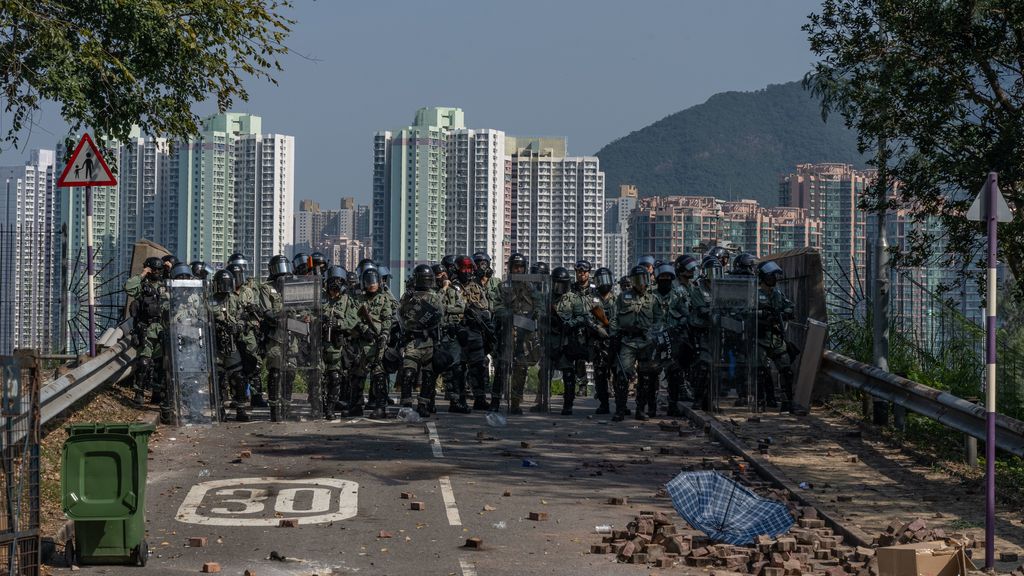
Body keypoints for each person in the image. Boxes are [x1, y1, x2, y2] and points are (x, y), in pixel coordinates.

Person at [610, 265, 659, 422]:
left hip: (646, 342)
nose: (639, 283)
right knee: (622, 375)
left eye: (642, 279)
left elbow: (660, 320)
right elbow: (613, 318)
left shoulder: (653, 299)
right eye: (636, 280)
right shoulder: (623, 297)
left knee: (645, 377)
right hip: (627, 341)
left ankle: (640, 410)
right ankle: (620, 410)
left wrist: (654, 335)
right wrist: (615, 334)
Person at [494, 252, 539, 414]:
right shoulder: (503, 286)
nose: (518, 270)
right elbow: (496, 307)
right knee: (501, 366)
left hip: (525, 334)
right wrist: (508, 315)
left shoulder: (531, 288)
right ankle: (495, 401)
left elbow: (540, 306)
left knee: (521, 368)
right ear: (510, 268)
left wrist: (535, 318)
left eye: (521, 267)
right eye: (515, 267)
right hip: (507, 332)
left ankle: (515, 402)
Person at [397, 265, 445, 418]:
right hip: (413, 340)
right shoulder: (409, 296)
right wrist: (409, 301)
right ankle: (406, 404)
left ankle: (423, 404)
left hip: (429, 340)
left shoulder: (434, 297)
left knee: (429, 375)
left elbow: (439, 316)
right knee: (408, 372)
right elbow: (401, 314)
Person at [550, 267, 597, 415]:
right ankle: (541, 400)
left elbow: (582, 317)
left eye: (562, 284)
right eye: (557, 284)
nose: (559, 288)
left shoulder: (573, 298)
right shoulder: (547, 297)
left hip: (566, 340)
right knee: (543, 372)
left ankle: (568, 405)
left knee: (568, 373)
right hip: (549, 339)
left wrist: (569, 323)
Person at [352, 266, 395, 418]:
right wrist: (364, 329)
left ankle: (380, 406)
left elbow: (388, 319)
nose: (372, 284)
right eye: (369, 281)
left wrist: (384, 335)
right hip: (362, 343)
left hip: (378, 343)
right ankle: (355, 406)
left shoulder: (384, 299)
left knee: (379, 375)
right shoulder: (358, 300)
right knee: (358, 375)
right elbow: (353, 318)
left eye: (374, 281)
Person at [125, 256, 168, 408]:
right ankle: (139, 392)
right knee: (144, 362)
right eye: (153, 269)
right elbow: (129, 287)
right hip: (147, 330)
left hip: (162, 330)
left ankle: (158, 393)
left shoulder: (166, 285)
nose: (156, 272)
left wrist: (170, 270)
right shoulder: (143, 286)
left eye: (159, 269)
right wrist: (143, 273)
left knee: (161, 364)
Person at [756, 261, 797, 413]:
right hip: (760, 338)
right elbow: (745, 312)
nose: (773, 278)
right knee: (761, 370)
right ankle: (761, 401)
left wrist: (785, 313)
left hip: (776, 338)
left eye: (774, 276)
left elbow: (790, 306)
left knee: (786, 369)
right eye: (770, 276)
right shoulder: (754, 294)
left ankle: (788, 401)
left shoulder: (777, 294)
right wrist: (762, 314)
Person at [454, 255, 493, 410]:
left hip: (475, 331)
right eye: (464, 268)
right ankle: (459, 399)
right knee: (459, 368)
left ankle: (480, 398)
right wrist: (462, 311)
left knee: (478, 367)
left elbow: (485, 306)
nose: (467, 271)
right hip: (459, 330)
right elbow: (444, 307)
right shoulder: (452, 287)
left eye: (469, 269)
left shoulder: (476, 287)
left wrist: (477, 311)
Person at [209, 270, 248, 421]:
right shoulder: (209, 300)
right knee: (218, 378)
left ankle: (241, 408)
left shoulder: (235, 299)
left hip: (231, 343)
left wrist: (237, 327)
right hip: (216, 344)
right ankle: (219, 409)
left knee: (238, 377)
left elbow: (243, 318)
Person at [322, 265, 359, 420]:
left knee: (335, 377)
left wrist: (338, 324)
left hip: (336, 345)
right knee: (317, 378)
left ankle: (330, 408)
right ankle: (319, 405)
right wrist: (320, 321)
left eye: (337, 286)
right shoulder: (321, 297)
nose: (334, 291)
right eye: (332, 286)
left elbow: (353, 319)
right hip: (318, 343)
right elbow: (308, 313)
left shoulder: (347, 300)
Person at [434, 263, 470, 413]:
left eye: (444, 274)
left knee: (456, 368)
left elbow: (461, 307)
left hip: (452, 333)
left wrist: (446, 309)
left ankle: (456, 401)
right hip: (437, 334)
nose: (443, 277)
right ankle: (428, 401)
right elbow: (435, 305)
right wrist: (442, 290)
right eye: (439, 275)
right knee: (434, 369)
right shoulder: (433, 292)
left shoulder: (454, 291)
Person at [591, 267, 616, 414]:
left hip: (614, 341)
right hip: (598, 342)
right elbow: (587, 317)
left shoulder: (617, 299)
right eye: (601, 280)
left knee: (618, 373)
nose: (604, 283)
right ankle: (603, 403)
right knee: (600, 375)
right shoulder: (592, 299)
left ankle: (621, 404)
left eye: (606, 279)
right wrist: (597, 327)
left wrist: (612, 328)